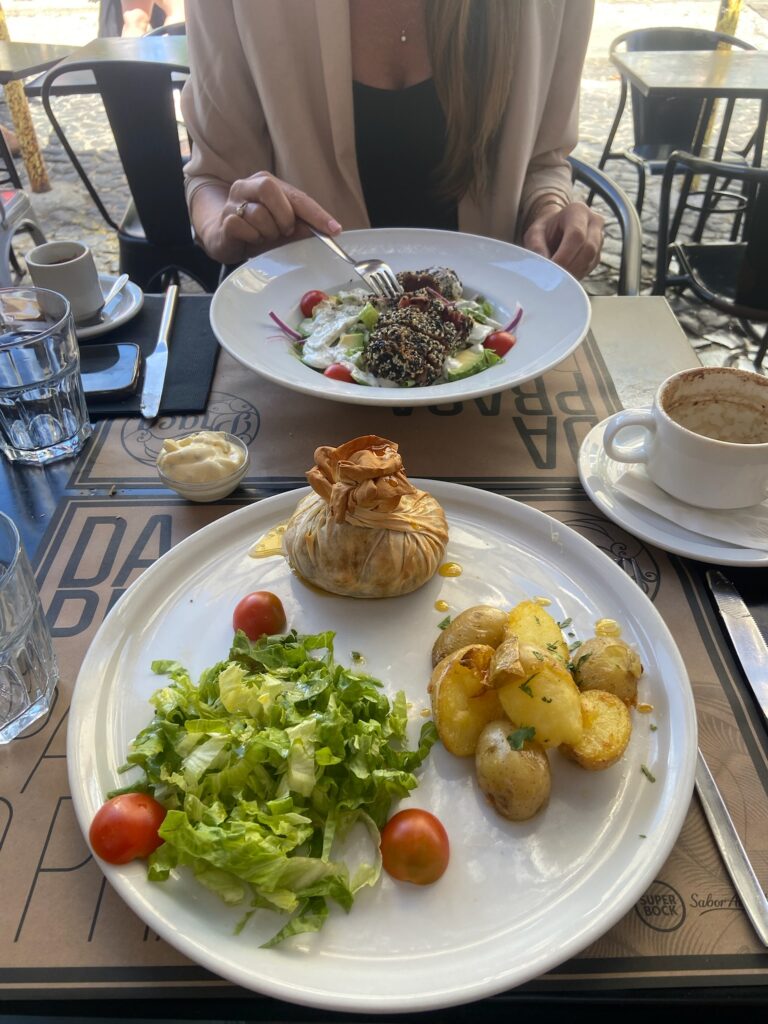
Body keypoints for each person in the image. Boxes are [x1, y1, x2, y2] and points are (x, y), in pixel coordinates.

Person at [180, 0, 604, 279]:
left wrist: (550, 212)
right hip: (302, 346)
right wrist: (226, 226)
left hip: (501, 343)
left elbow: (543, 160)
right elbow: (214, 179)